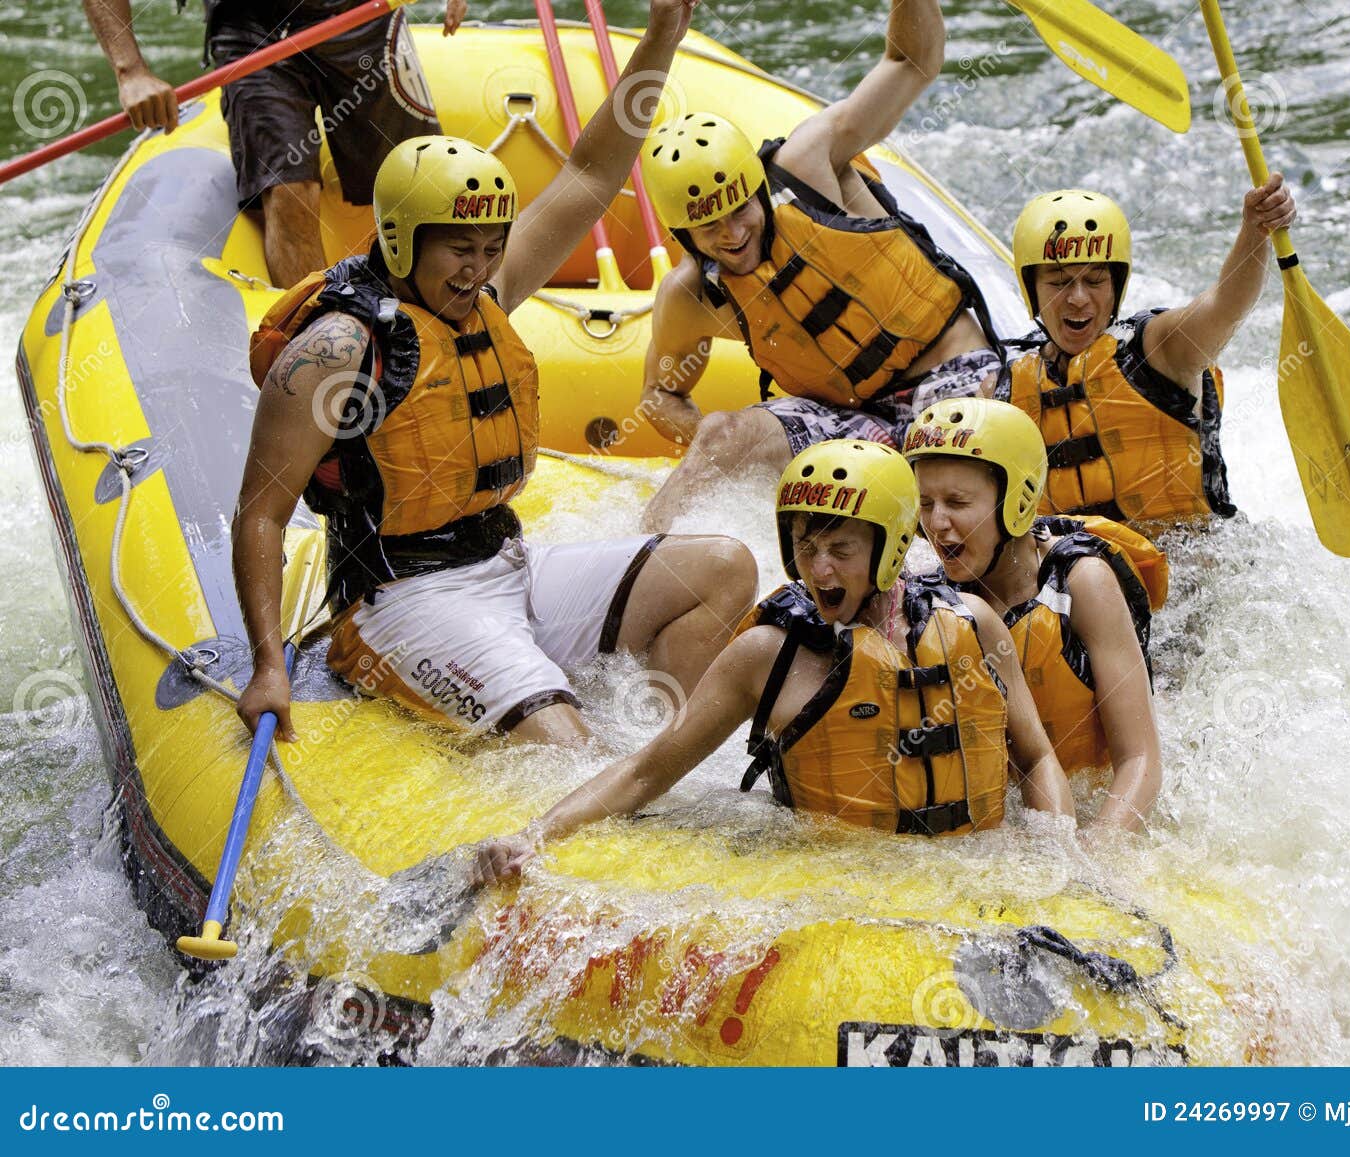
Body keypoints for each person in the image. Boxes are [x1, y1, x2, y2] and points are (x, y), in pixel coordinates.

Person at [232, 0, 754, 747]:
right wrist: (267, 668)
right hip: (400, 602)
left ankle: (648, 753)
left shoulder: (482, 296)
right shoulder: (337, 349)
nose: (479, 270)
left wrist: (665, 31)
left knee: (725, 570)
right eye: (460, 251)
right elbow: (260, 513)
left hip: (508, 566)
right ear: (401, 240)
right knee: (564, 747)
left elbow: (590, 173)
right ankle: (587, 758)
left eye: (490, 248)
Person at [473, 439, 1077, 881]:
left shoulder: (973, 622)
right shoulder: (768, 655)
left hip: (973, 878)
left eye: (841, 549)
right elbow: (646, 772)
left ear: (893, 545)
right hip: (835, 886)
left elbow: (1038, 756)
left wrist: (1057, 865)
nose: (819, 570)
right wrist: (535, 836)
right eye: (806, 548)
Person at [632, 0, 1003, 533]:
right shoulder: (691, 297)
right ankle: (643, 567)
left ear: (758, 187)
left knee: (948, 488)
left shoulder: (810, 168)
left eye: (741, 210)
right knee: (722, 437)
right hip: (849, 423)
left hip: (950, 377)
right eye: (709, 228)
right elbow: (659, 395)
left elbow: (913, 62)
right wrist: (738, 467)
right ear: (682, 235)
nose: (733, 234)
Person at [903, 397, 1164, 833]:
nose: (938, 523)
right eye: (925, 504)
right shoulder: (930, 593)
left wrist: (1096, 855)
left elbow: (1140, 761)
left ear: (1017, 502)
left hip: (1093, 799)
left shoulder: (1084, 584)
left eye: (957, 502)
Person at [83, 0, 470, 287]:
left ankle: (436, 332)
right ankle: (323, 344)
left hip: (365, 14)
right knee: (289, 191)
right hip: (253, 26)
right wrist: (130, 70)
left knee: (417, 183)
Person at [997, 178, 1297, 527]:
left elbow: (1225, 306)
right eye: (1060, 282)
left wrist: (1255, 231)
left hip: (1191, 571)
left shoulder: (1160, 351)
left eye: (1095, 281)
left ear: (1116, 285)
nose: (1078, 298)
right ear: (1030, 289)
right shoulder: (1002, 394)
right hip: (1075, 573)